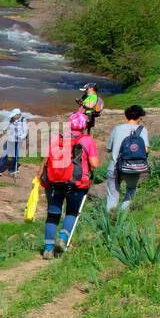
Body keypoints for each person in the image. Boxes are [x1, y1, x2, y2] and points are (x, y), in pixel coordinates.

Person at [41, 111, 99, 259]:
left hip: (54, 182)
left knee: (53, 215)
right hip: (77, 184)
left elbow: (46, 160)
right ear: (84, 125)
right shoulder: (87, 140)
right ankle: (63, 238)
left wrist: (40, 179)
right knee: (71, 212)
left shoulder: (56, 138)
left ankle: (48, 249)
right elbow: (95, 164)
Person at [105, 104, 150, 214]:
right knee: (131, 189)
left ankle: (110, 220)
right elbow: (146, 150)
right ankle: (123, 216)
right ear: (140, 117)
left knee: (112, 195)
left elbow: (109, 148)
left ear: (127, 116)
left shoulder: (117, 129)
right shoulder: (142, 130)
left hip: (115, 167)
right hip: (133, 167)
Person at [0, 108, 27, 178]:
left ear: (18, 115)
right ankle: (0, 169)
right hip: (10, 140)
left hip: (18, 141)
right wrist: (4, 130)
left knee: (14, 156)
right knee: (5, 154)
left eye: (14, 115)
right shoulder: (11, 119)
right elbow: (6, 127)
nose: (13, 117)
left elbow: (25, 132)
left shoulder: (23, 121)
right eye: (13, 116)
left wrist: (21, 137)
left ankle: (12, 169)